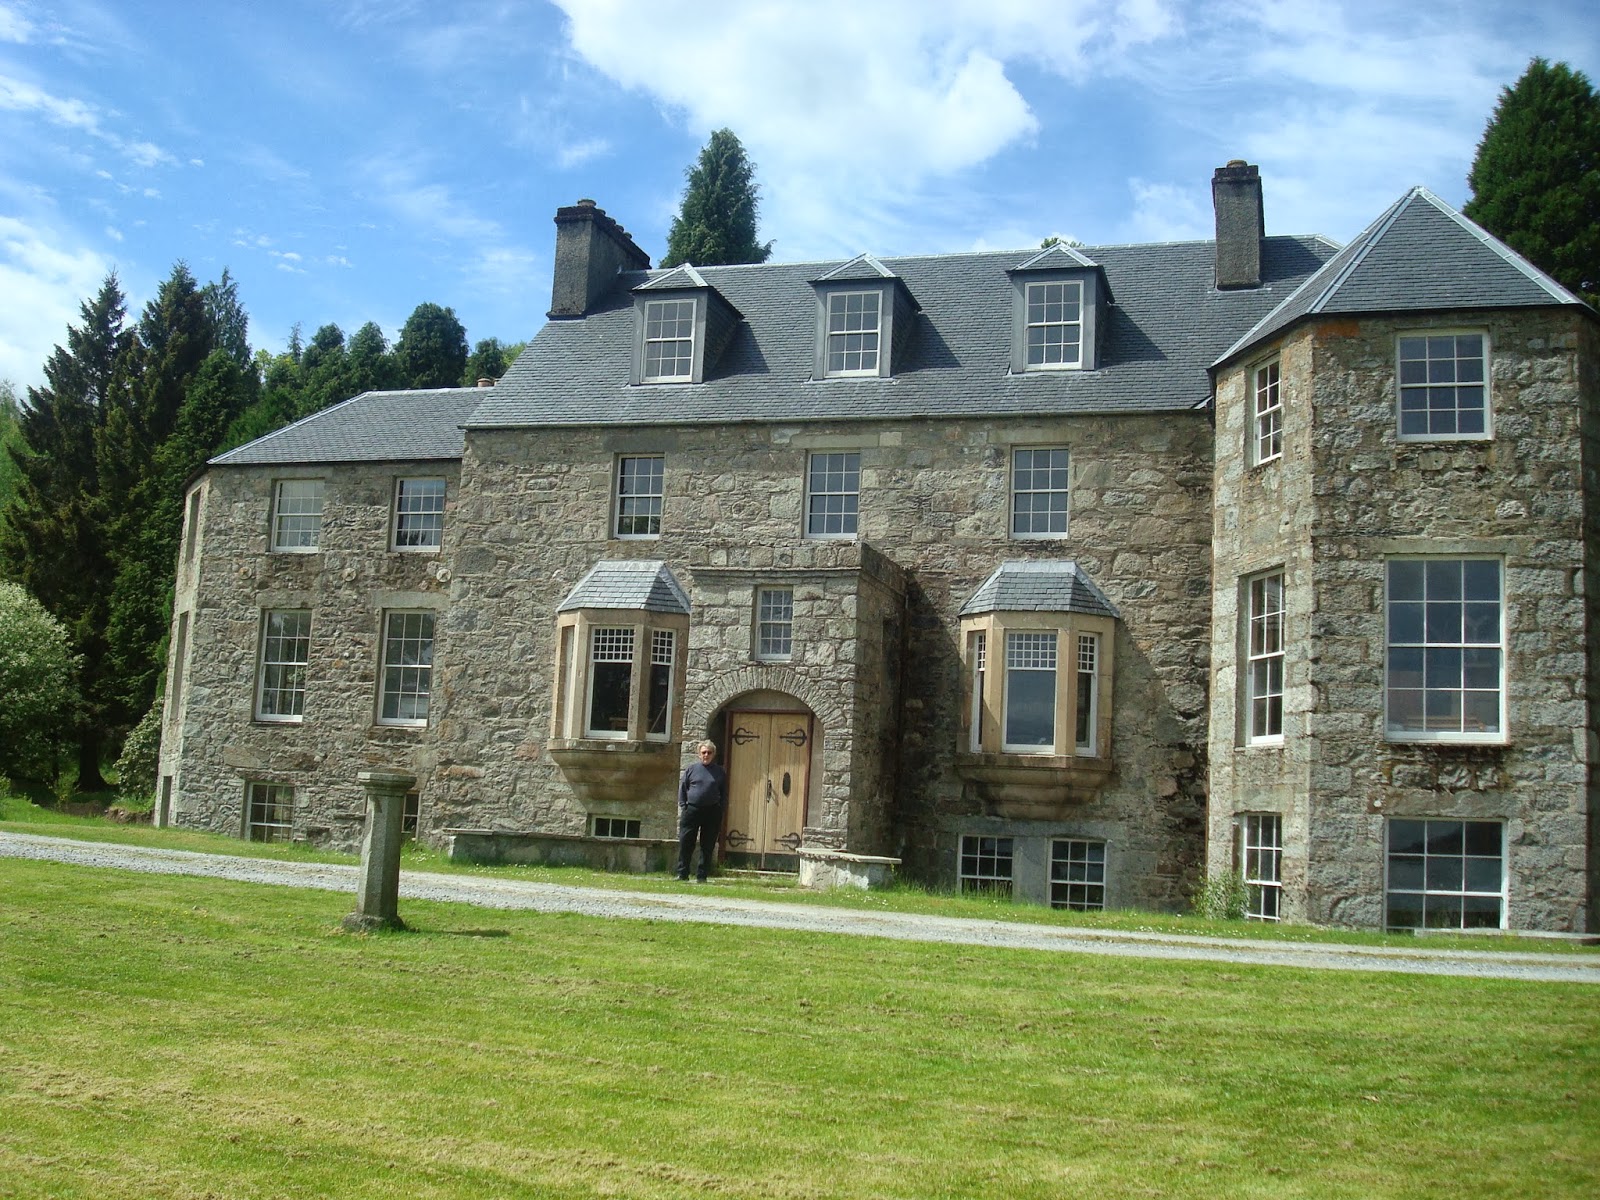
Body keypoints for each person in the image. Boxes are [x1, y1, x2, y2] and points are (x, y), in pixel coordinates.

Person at [677, 739, 727, 882]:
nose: (706, 755)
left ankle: (702, 875)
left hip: (712, 812)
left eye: (709, 753)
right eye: (703, 752)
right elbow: (683, 788)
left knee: (707, 844)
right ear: (699, 754)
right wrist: (683, 805)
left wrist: (721, 807)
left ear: (713, 754)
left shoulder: (719, 772)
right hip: (691, 810)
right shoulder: (691, 769)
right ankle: (682, 874)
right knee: (686, 842)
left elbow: (724, 792)